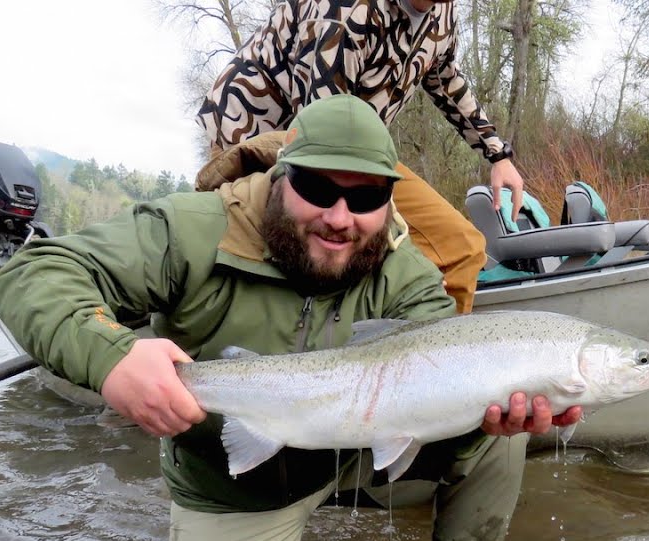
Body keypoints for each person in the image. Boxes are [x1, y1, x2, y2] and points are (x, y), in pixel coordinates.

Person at [0, 95, 579, 541]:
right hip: (238, 481)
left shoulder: (408, 277)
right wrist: (113, 357)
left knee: (497, 435)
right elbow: (35, 273)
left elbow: (439, 400)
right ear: (280, 178)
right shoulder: (193, 230)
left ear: (389, 201)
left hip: (355, 453)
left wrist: (485, 425)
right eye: (318, 190)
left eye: (366, 196)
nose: (339, 217)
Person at [196, 0, 527, 314]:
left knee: (461, 249)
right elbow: (323, 134)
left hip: (353, 147)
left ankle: (421, 362)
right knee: (297, 259)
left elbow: (444, 78)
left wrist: (498, 154)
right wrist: (395, 247)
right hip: (259, 134)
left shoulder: (442, 14)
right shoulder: (344, 10)